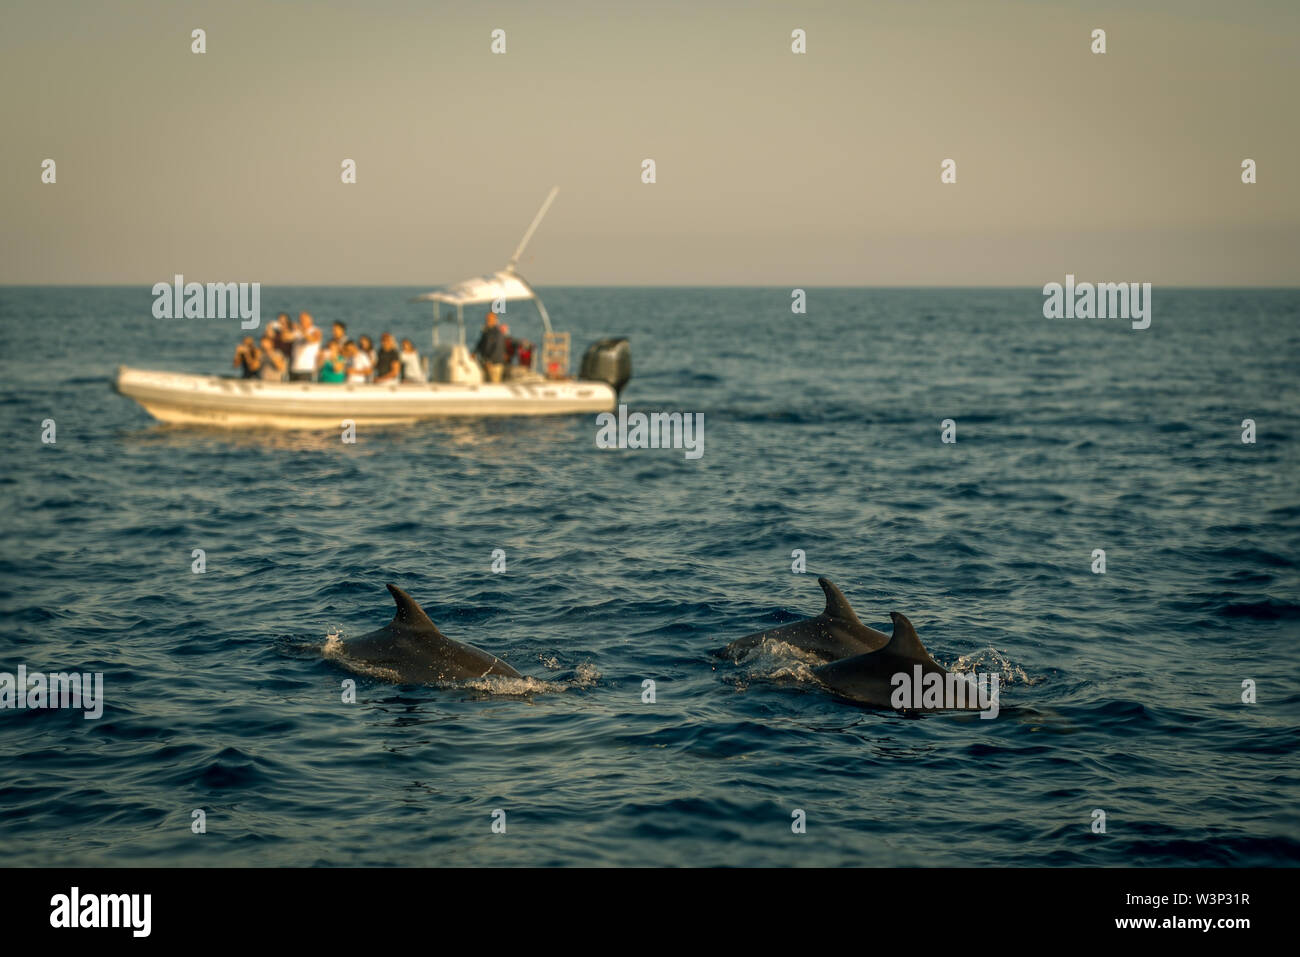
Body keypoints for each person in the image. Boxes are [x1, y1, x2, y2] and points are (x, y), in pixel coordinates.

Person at [473, 312, 506, 382]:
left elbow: (498, 349)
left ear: (495, 320)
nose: (487, 321)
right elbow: (481, 343)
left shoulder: (497, 333)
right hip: (485, 363)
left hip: (495, 364)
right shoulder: (486, 332)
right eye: (487, 319)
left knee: (494, 386)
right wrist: (474, 352)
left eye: (489, 319)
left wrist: (490, 361)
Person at [289, 312, 322, 382]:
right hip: (294, 368)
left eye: (303, 320)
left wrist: (301, 330)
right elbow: (286, 338)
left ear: (310, 321)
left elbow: (312, 340)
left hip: (307, 369)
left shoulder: (315, 330)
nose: (301, 321)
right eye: (300, 319)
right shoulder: (297, 331)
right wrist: (286, 327)